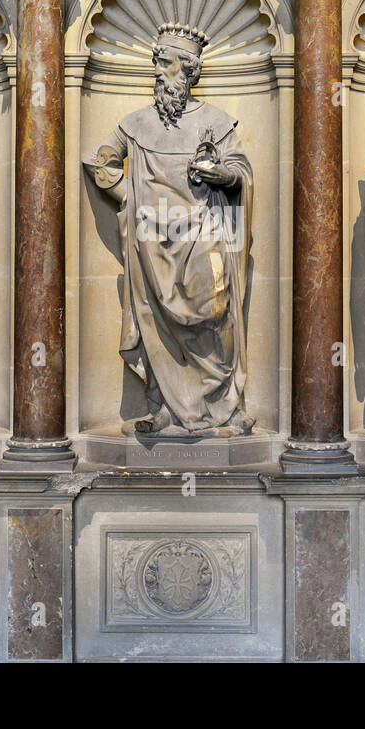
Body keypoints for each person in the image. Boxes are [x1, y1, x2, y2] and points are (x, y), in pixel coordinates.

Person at [84, 23, 254, 436]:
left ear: (188, 69)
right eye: (156, 63)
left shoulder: (216, 122)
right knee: (156, 318)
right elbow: (99, 162)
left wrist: (220, 176)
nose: (158, 72)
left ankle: (218, 404)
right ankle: (164, 407)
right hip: (151, 242)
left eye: (164, 62)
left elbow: (241, 172)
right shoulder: (135, 123)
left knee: (214, 312)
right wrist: (133, 199)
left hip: (204, 234)